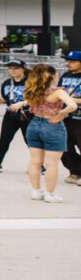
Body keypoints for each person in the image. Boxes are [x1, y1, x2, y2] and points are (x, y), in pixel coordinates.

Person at [19, 63, 77, 202]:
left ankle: (36, 191)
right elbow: (73, 105)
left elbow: (27, 103)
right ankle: (50, 194)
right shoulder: (58, 92)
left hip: (34, 125)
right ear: (51, 76)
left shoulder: (32, 91)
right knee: (51, 164)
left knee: (35, 162)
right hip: (53, 126)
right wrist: (61, 113)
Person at [59, 49, 81, 184]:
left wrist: (72, 100)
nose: (69, 63)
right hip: (66, 116)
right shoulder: (66, 75)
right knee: (64, 147)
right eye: (68, 61)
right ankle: (75, 171)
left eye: (73, 61)